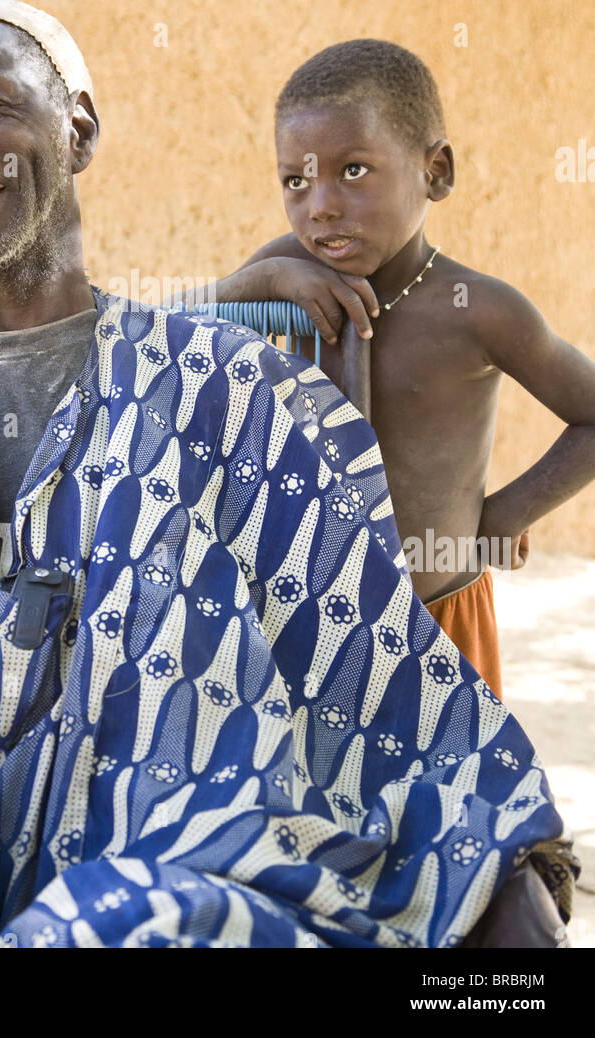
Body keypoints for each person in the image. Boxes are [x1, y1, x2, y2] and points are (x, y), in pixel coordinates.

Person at [0, 5, 575, 948]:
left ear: (77, 129)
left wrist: (494, 860)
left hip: (161, 887)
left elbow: (374, 688)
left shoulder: (235, 396)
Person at [223, 39, 595, 699]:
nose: (322, 206)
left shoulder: (479, 310)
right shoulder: (282, 274)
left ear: (436, 172)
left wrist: (507, 514)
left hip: (436, 620)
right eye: (296, 181)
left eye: (355, 171)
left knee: (438, 797)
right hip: (300, 620)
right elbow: (169, 343)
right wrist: (261, 278)